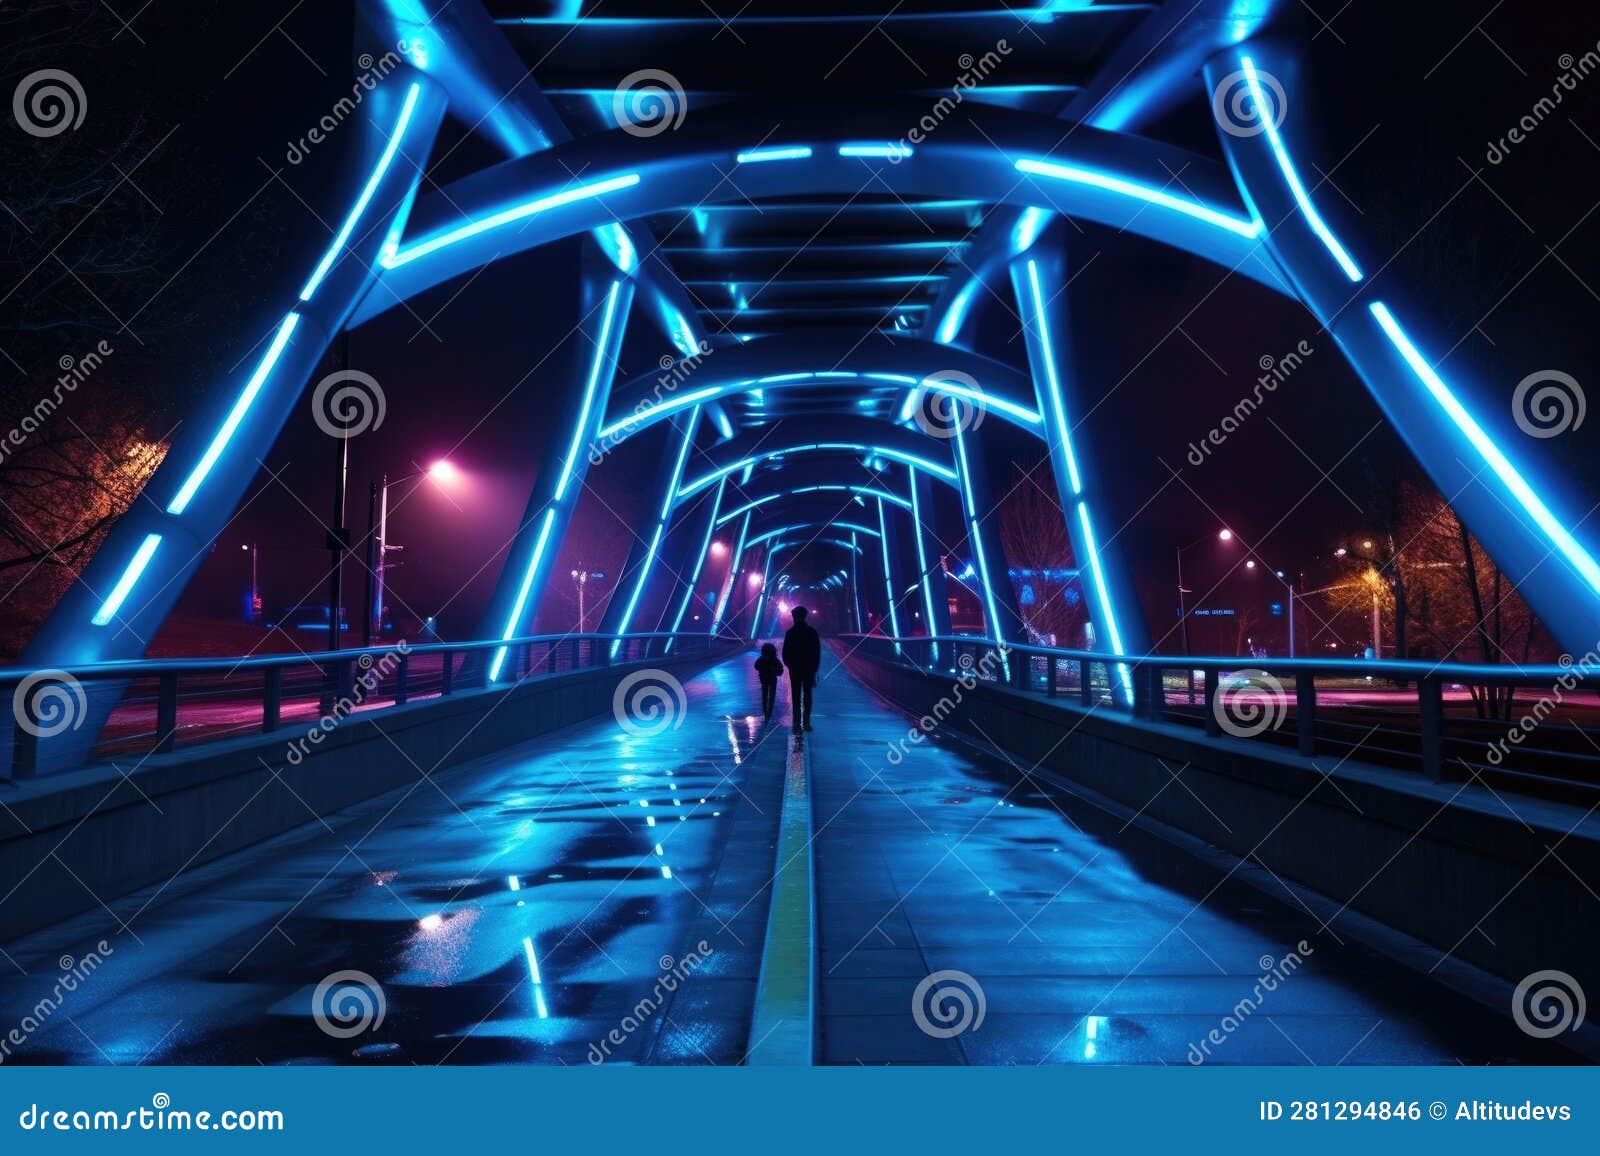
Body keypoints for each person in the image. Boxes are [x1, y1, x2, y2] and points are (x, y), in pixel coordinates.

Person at [781, 606, 821, 733]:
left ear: (794, 617)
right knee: (807, 696)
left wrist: (790, 665)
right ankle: (806, 723)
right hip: (808, 669)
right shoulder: (812, 632)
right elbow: (816, 653)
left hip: (795, 670)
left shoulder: (790, 633)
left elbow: (785, 653)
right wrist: (814, 669)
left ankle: (796, 723)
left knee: (796, 696)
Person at [753, 643, 783, 722]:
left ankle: (766, 712)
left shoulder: (761, 659)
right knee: (770, 696)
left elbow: (756, 666)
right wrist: (775, 671)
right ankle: (768, 712)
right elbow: (780, 671)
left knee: (765, 695)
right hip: (771, 679)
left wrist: (762, 670)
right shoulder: (774, 660)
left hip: (765, 679)